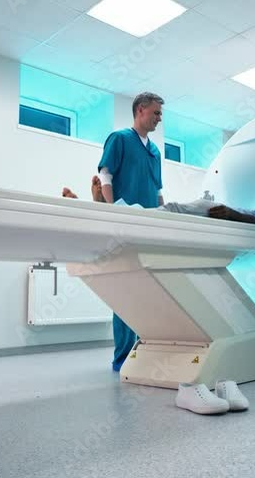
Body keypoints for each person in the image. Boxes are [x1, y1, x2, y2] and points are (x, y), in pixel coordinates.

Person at [97, 92, 166, 372]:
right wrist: (113, 211)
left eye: (160, 114)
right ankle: (123, 358)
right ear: (140, 110)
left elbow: (158, 190)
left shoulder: (155, 151)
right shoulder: (120, 139)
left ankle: (146, 350)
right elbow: (105, 175)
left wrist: (165, 217)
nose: (159, 119)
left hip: (150, 225)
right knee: (126, 292)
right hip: (126, 224)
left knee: (149, 290)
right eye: (156, 113)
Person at [61, 176, 255, 228]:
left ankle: (109, 209)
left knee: (172, 210)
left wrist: (232, 214)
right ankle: (109, 209)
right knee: (170, 210)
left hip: (217, 212)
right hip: (215, 209)